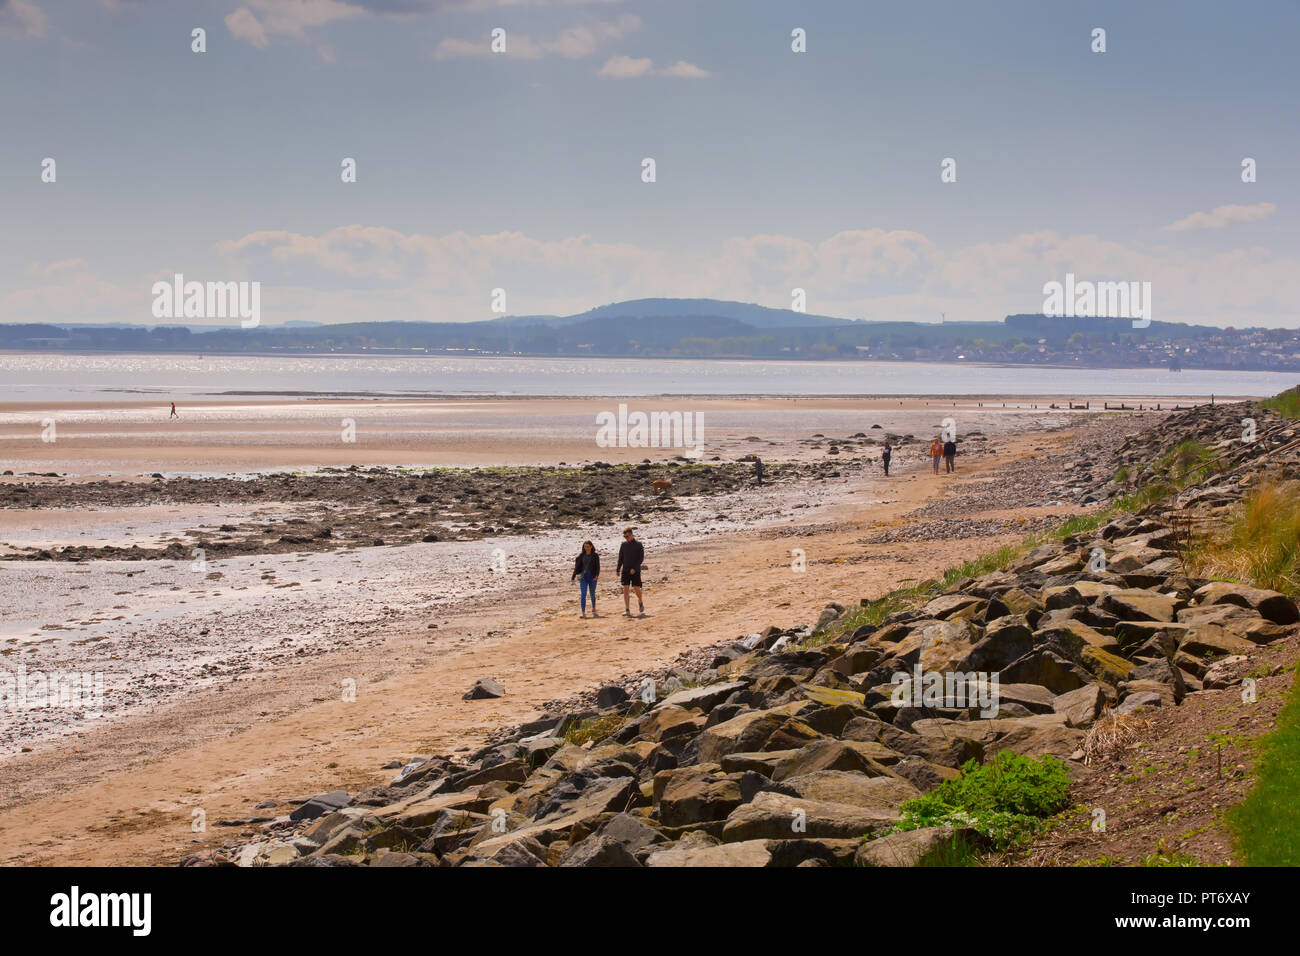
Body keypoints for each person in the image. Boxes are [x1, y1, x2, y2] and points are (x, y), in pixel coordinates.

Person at [617, 526, 645, 617]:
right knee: (625, 589)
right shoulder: (623, 545)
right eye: (625, 537)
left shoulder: (638, 545)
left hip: (635, 570)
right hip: (625, 570)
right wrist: (618, 569)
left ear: (632, 534)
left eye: (628, 536)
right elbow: (620, 558)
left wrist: (634, 568)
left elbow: (640, 558)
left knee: (637, 588)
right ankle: (627, 609)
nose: (626, 538)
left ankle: (640, 601)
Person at [571, 540, 600, 618]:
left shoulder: (595, 556)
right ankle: (583, 613)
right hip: (583, 577)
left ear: (591, 547)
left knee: (592, 593)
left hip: (592, 577)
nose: (586, 548)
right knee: (583, 594)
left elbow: (598, 567)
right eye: (585, 546)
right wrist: (573, 577)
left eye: (587, 546)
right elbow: (576, 567)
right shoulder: (580, 556)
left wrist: (597, 575)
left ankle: (593, 609)